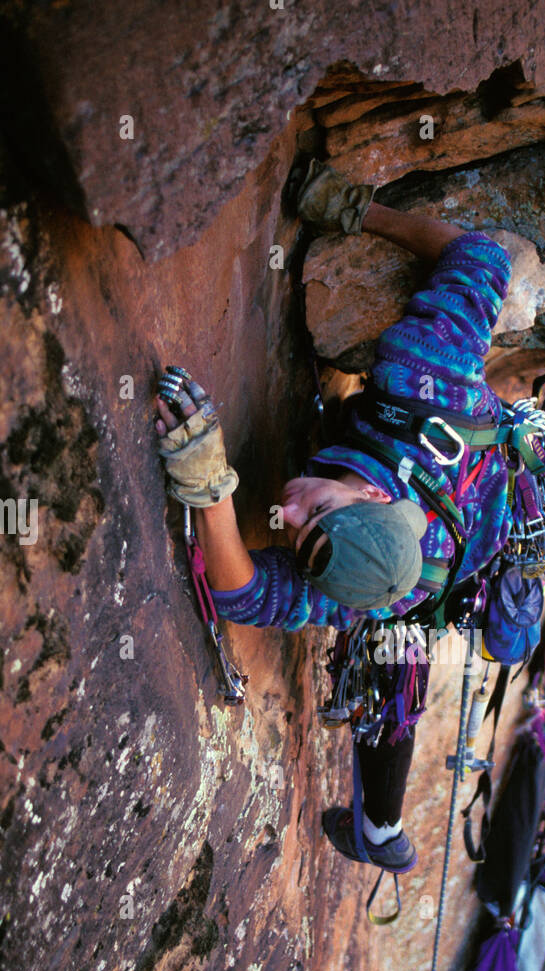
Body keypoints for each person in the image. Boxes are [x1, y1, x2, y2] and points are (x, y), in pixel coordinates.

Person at [154, 162, 514, 876]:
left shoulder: (364, 594)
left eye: (295, 536)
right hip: (472, 466)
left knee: (396, 649)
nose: (284, 512)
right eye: (313, 510)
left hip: (462, 554)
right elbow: (482, 256)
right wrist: (354, 208)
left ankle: (380, 830)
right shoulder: (425, 381)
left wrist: (210, 486)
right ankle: (382, 832)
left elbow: (244, 595)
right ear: (371, 497)